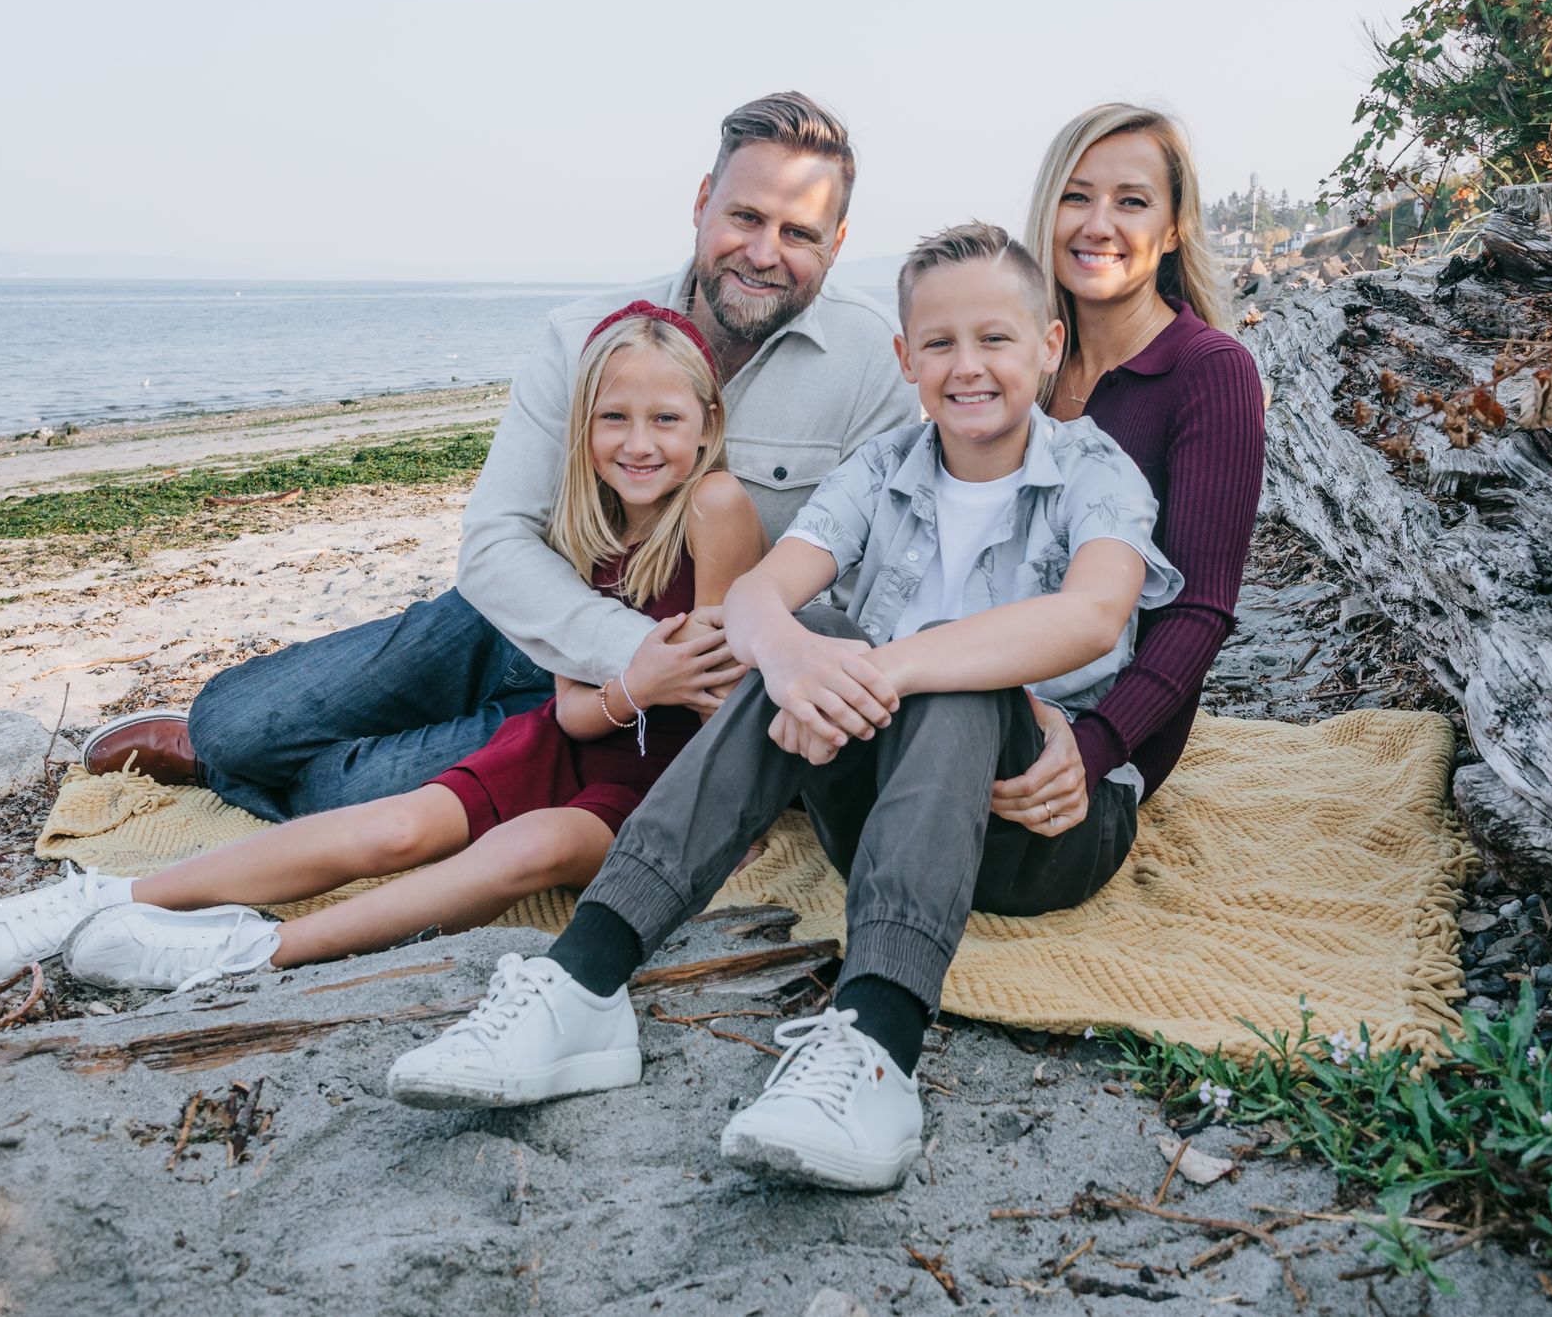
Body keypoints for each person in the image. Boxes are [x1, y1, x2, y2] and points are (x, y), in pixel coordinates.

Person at [380, 222, 1183, 1192]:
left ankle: (875, 1044)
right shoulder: (883, 466)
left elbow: (1092, 616)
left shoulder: (1095, 470)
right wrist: (797, 659)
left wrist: (887, 669)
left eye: (994, 339)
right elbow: (760, 593)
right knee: (802, 640)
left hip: (1043, 820)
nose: (966, 365)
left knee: (957, 676)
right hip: (883, 818)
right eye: (938, 342)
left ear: (1049, 346)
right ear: (906, 359)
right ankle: (584, 980)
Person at [73, 92, 915, 826]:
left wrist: (707, 679)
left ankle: (254, 781)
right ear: (702, 202)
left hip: (672, 699)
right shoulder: (581, 335)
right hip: (522, 623)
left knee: (342, 794)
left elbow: (862, 582)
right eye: (746, 217)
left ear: (837, 242)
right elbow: (495, 541)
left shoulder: (870, 359)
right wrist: (635, 652)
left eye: (798, 232)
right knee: (229, 721)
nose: (764, 252)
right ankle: (228, 756)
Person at [0, 305, 765, 991]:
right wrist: (635, 684)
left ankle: (255, 949)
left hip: (666, 791)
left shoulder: (715, 506)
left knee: (533, 845)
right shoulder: (577, 533)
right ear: (581, 428)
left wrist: (724, 819)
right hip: (570, 745)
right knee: (396, 828)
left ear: (708, 424)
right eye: (614, 417)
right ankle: (113, 895)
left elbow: (723, 703)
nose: (639, 442)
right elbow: (577, 714)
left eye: (665, 418)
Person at [1008, 102, 1266, 826]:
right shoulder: (1018, 362)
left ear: (1174, 226)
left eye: (1131, 201)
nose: (1098, 225)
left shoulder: (1210, 371)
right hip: (986, 675)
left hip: (1109, 738)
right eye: (1076, 196)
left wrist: (1092, 750)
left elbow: (1199, 609)